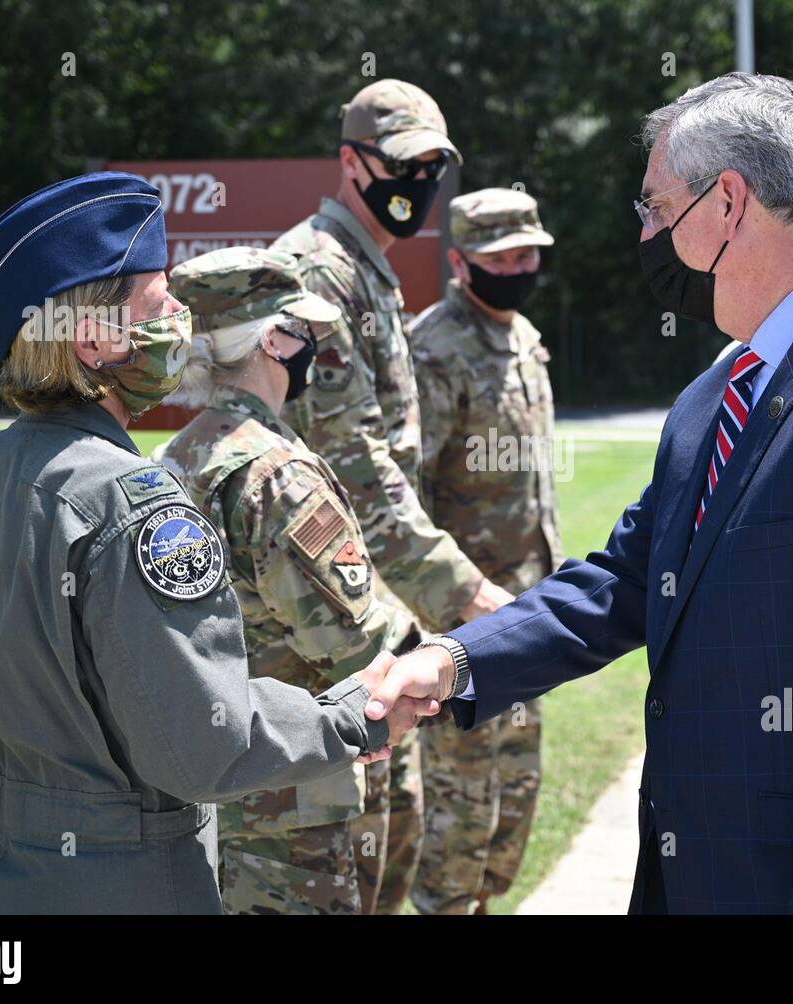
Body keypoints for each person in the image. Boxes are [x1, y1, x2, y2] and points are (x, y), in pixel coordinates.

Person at [367, 73, 793, 915]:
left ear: (727, 204)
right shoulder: (716, 394)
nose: (644, 232)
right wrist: (454, 662)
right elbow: (625, 580)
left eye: (654, 206)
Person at [0, 173, 429, 915]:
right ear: (95, 337)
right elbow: (204, 745)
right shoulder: (137, 502)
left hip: (5, 876)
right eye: (161, 305)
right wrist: (355, 716)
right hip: (133, 882)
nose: (179, 325)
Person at [271, 79, 512, 911]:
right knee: (333, 868)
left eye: (432, 167)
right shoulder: (316, 273)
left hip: (366, 616)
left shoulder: (366, 270)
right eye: (402, 165)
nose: (419, 184)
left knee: (393, 844)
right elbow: (359, 471)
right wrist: (471, 593)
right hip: (311, 630)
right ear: (350, 162)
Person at [151, 246, 421, 914]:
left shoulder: (171, 459)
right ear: (275, 338)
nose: (314, 348)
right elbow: (356, 644)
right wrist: (444, 658)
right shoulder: (278, 475)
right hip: (289, 805)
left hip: (195, 788)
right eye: (307, 332)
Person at [408, 188, 560, 914]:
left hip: (528, 615)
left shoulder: (527, 338)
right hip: (458, 627)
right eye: (501, 257)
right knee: (460, 816)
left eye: (528, 254)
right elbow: (404, 494)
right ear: (463, 262)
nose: (518, 267)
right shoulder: (432, 349)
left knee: (514, 805)